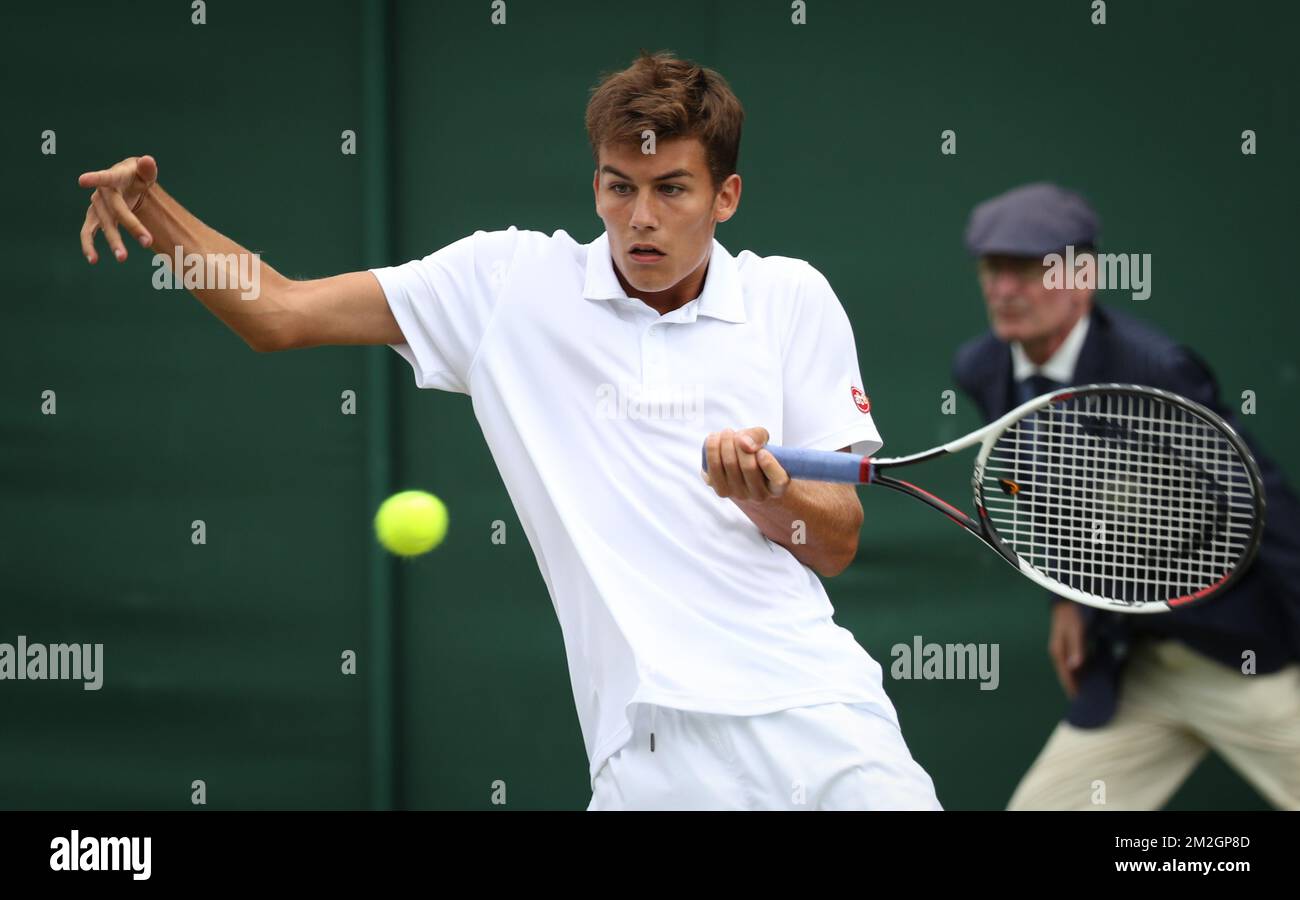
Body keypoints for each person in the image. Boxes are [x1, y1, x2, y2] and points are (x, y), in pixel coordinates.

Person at [76, 50, 940, 811]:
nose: (640, 217)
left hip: (822, 719)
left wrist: (771, 494)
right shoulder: (505, 284)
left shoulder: (791, 298)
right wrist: (156, 215)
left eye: (671, 188)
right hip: (649, 752)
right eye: (618, 186)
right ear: (596, 183)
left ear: (726, 197)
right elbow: (277, 312)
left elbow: (834, 542)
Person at [952, 182, 1300, 810]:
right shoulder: (983, 368)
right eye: (993, 269)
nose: (1004, 289)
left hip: (1237, 655)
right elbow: (1041, 491)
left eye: (1028, 270)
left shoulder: (1156, 370)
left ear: (1082, 276)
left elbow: (1259, 503)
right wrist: (1067, 598)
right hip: (1133, 673)